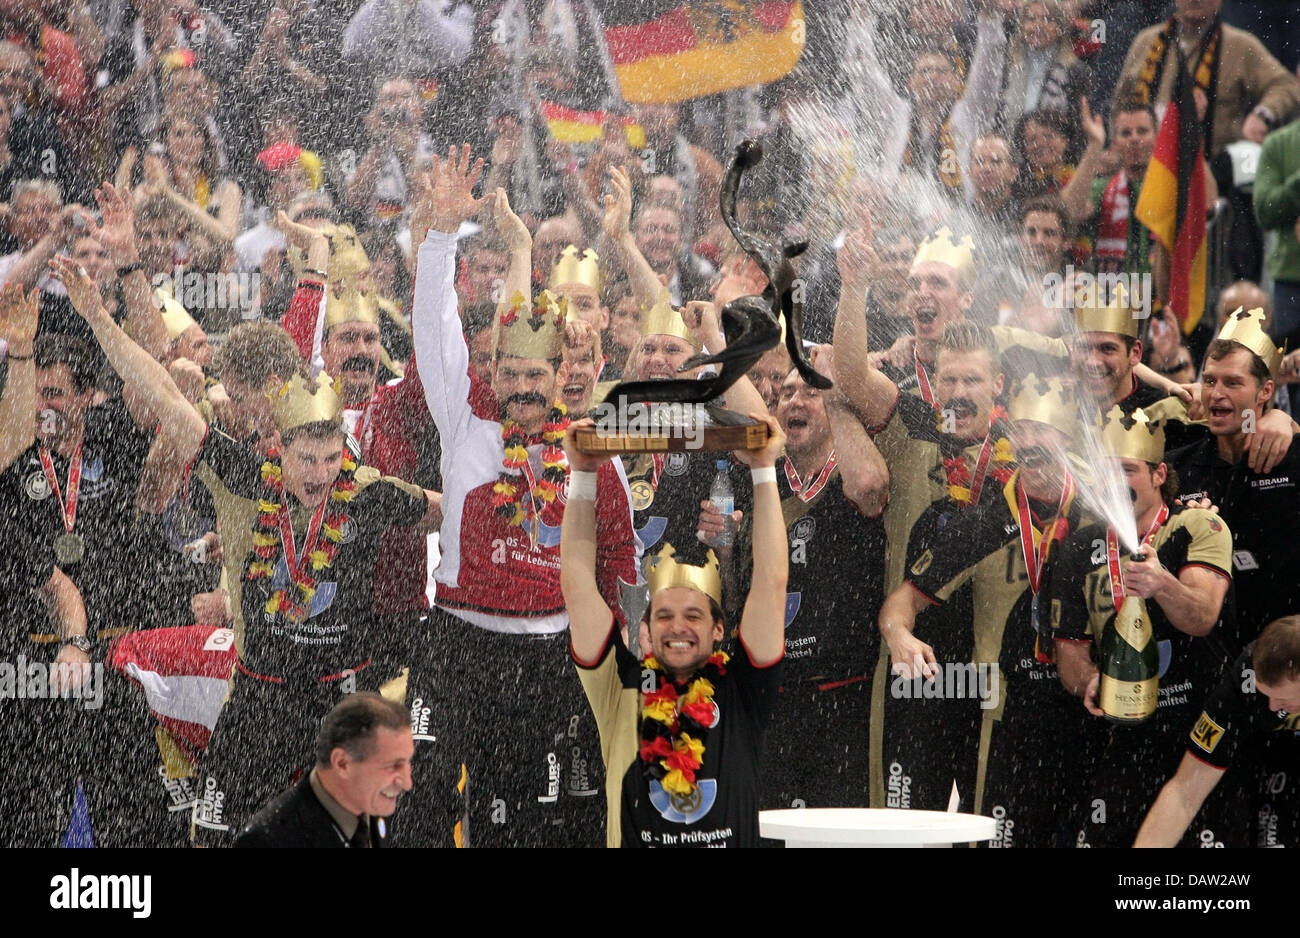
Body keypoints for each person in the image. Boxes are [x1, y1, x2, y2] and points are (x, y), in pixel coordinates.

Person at [49, 254, 443, 847]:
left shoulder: (366, 493)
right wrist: (99, 322)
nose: (319, 474)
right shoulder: (242, 476)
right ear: (278, 447)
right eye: (305, 459)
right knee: (211, 839)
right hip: (257, 699)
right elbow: (161, 395)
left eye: (331, 457)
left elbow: (452, 506)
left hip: (341, 703)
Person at [411, 145, 637, 847]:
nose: (523, 388)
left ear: (564, 371)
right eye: (510, 372)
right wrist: (441, 236)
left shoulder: (594, 453)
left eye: (536, 373)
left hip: (548, 658)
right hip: (456, 641)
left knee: (524, 822)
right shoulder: (468, 418)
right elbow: (434, 332)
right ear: (496, 372)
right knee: (418, 797)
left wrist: (631, 642)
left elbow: (622, 552)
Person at [877, 373, 1100, 846]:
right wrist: (899, 635)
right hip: (1002, 723)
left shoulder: (1098, 514)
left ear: (1069, 438)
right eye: (1021, 431)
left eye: (1044, 432)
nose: (1031, 444)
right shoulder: (980, 523)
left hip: (1085, 709)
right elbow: (901, 602)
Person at [562, 412, 789, 847]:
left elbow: (772, 583)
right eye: (663, 615)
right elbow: (576, 582)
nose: (677, 627)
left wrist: (764, 469)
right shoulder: (619, 687)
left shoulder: (743, 687)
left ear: (720, 629)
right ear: (644, 631)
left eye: (693, 615)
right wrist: (583, 475)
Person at [1051, 404, 1244, 847]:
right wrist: (1090, 680)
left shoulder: (1199, 524)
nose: (1115, 482)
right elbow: (1069, 652)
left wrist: (1162, 584)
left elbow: (1201, 618)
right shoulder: (1081, 547)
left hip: (1199, 727)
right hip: (1124, 732)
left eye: (1127, 469)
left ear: (1159, 474)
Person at [1170, 308, 1299, 645]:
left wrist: (1284, 421)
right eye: (1210, 380)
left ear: (1265, 391)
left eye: (1232, 382)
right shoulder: (1177, 468)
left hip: (1285, 654)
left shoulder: (1293, 460)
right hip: (1205, 657)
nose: (1216, 393)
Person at [1135, 615, 1300, 847]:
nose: (1272, 707)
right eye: (1267, 695)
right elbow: (1184, 792)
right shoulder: (1242, 687)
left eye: (1283, 699)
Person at [1119, 0, 1300, 155]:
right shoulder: (1146, 41)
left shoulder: (1240, 45)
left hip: (1211, 172)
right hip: (1148, 170)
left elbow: (1287, 85)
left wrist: (1262, 115)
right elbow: (1119, 104)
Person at [234, 692, 414, 848]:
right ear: (342, 764)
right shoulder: (268, 842)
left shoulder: (375, 809)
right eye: (392, 766)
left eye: (407, 763)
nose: (407, 783)